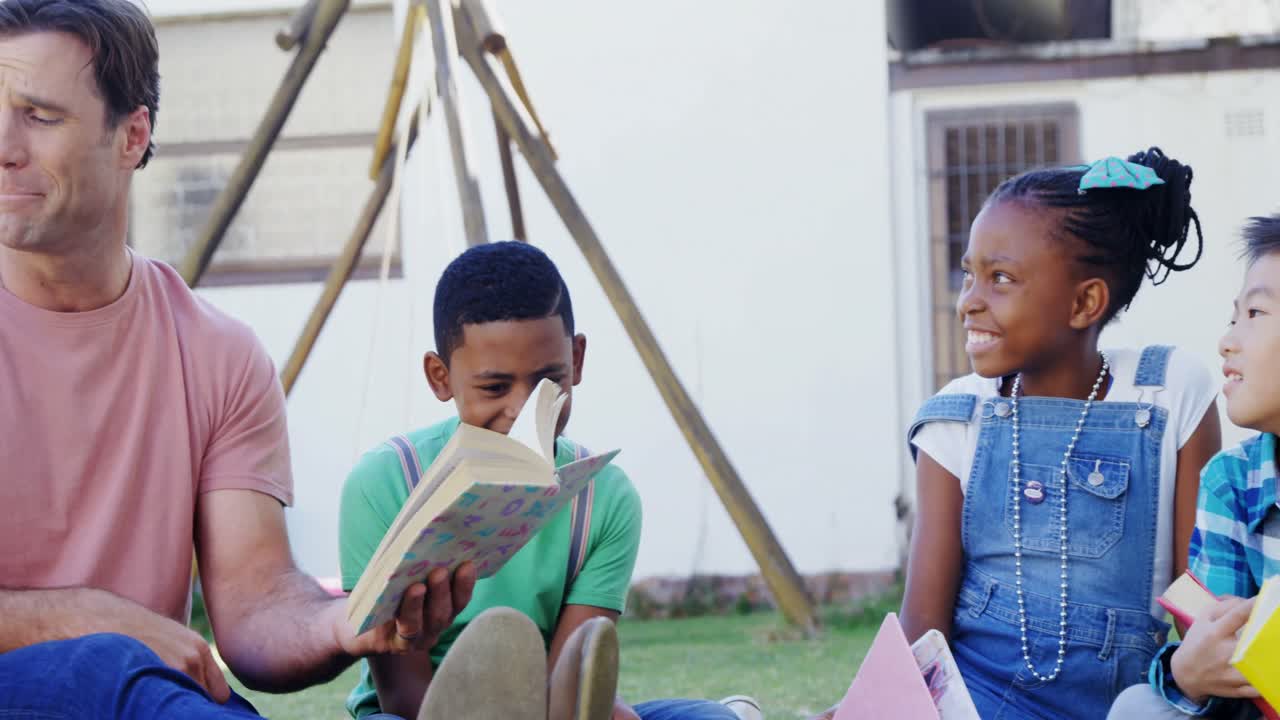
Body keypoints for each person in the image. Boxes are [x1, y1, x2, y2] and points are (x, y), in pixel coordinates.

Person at [0, 2, 473, 717]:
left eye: (39, 115)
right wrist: (89, 617)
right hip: (100, 685)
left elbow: (254, 608)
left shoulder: (216, 353)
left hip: (137, 697)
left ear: (133, 135)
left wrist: (342, 624)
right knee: (113, 664)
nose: (3, 143)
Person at [814, 149, 1221, 719]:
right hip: (980, 702)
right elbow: (923, 627)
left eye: (999, 278)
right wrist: (871, 706)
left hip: (1124, 704)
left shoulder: (1169, 388)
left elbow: (1194, 595)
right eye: (969, 274)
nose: (968, 302)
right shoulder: (957, 416)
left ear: (1085, 302)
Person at [339, 241, 760, 720]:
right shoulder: (384, 484)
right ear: (440, 377)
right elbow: (403, 694)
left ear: (576, 361)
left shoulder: (604, 497)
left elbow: (572, 686)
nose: (522, 410)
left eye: (549, 381)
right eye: (494, 387)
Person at [1107, 215, 1280, 719]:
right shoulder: (1232, 481)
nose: (1228, 340)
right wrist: (1191, 671)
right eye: (1234, 317)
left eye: (1255, 313)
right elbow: (1223, 647)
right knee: (1140, 707)